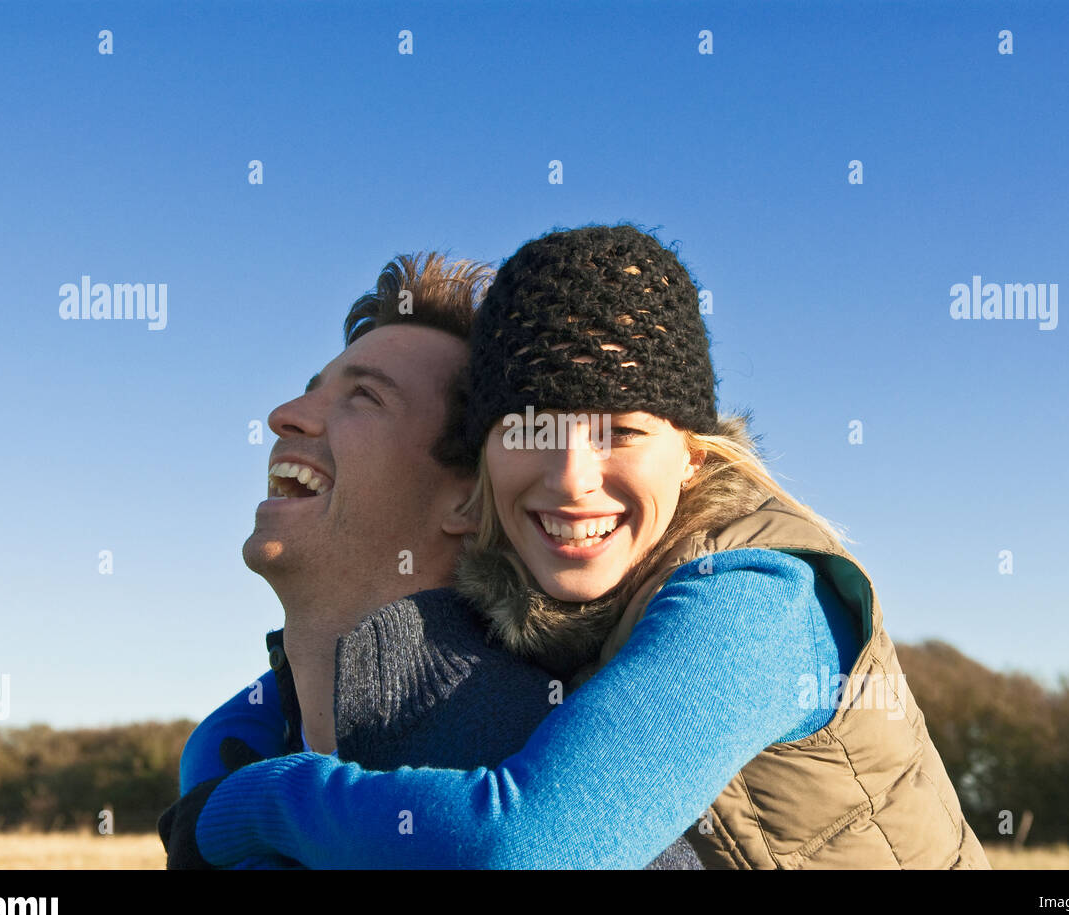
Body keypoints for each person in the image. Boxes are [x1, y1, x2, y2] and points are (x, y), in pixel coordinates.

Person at [164, 224, 990, 869]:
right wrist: (218, 755)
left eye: (622, 430)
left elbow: (525, 850)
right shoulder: (556, 610)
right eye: (529, 429)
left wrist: (256, 802)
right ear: (486, 463)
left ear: (693, 452)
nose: (571, 478)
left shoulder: (758, 593)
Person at [158, 249, 703, 869]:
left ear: (470, 500)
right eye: (314, 390)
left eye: (363, 397)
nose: (284, 416)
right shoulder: (241, 744)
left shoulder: (540, 774)